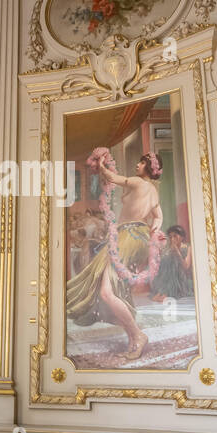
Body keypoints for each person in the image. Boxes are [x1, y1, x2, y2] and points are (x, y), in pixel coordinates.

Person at [66, 152, 164, 360]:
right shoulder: (153, 192)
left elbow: (112, 178)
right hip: (137, 235)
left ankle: (137, 335)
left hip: (128, 235)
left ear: (148, 168)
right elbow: (158, 216)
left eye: (142, 162)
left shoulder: (138, 181)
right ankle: (134, 338)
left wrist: (101, 165)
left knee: (106, 292)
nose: (137, 165)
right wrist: (154, 231)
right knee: (111, 290)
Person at [151, 225, 193, 301]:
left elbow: (186, 266)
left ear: (182, 237)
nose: (172, 239)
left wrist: (177, 251)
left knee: (171, 271)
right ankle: (161, 293)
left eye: (175, 236)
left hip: (180, 277)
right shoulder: (170, 248)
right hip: (169, 276)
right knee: (166, 265)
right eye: (170, 237)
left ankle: (165, 294)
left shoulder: (187, 247)